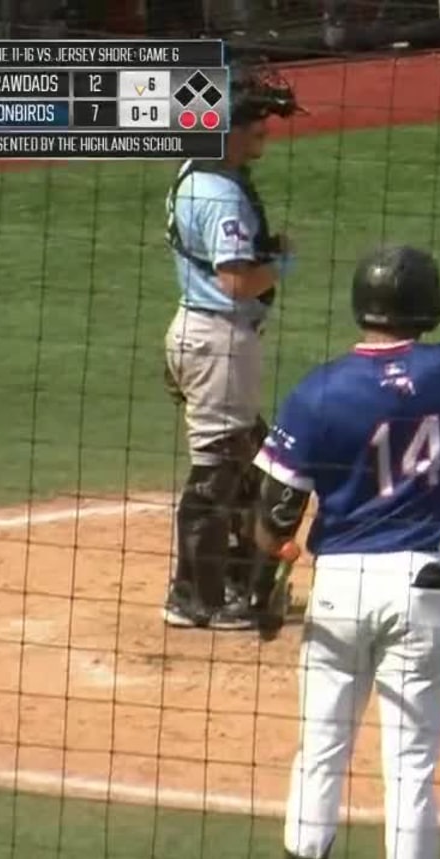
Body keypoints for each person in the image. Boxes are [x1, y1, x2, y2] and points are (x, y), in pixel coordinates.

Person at [250, 193, 440, 859]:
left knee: (321, 749)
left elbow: (273, 515)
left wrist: (271, 578)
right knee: (410, 767)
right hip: (421, 586)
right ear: (425, 306)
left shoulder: (317, 391)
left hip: (339, 589)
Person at [161, 64, 305, 632]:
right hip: (218, 340)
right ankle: (195, 596)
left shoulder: (197, 172)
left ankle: (239, 580)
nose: (262, 130)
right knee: (218, 470)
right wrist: (284, 261)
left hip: (203, 334)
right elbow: (239, 282)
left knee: (251, 459)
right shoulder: (220, 196)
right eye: (252, 122)